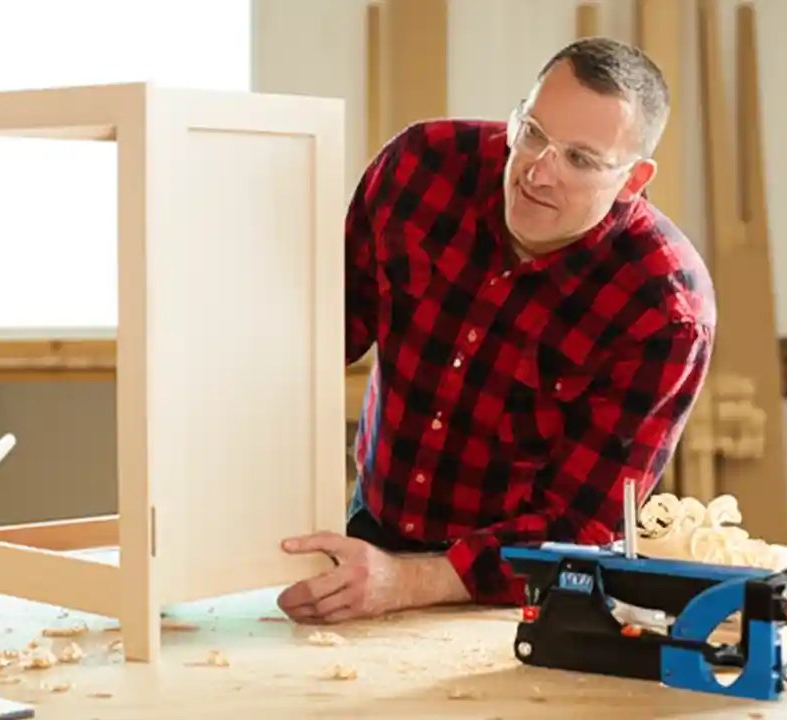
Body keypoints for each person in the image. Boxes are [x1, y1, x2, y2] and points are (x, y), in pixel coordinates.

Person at [276, 36, 715, 624]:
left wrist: (410, 581)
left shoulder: (663, 307)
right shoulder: (421, 167)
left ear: (634, 179)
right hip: (373, 527)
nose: (537, 171)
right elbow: (316, 337)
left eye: (580, 159)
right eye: (532, 131)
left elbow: (581, 522)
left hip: (516, 586)